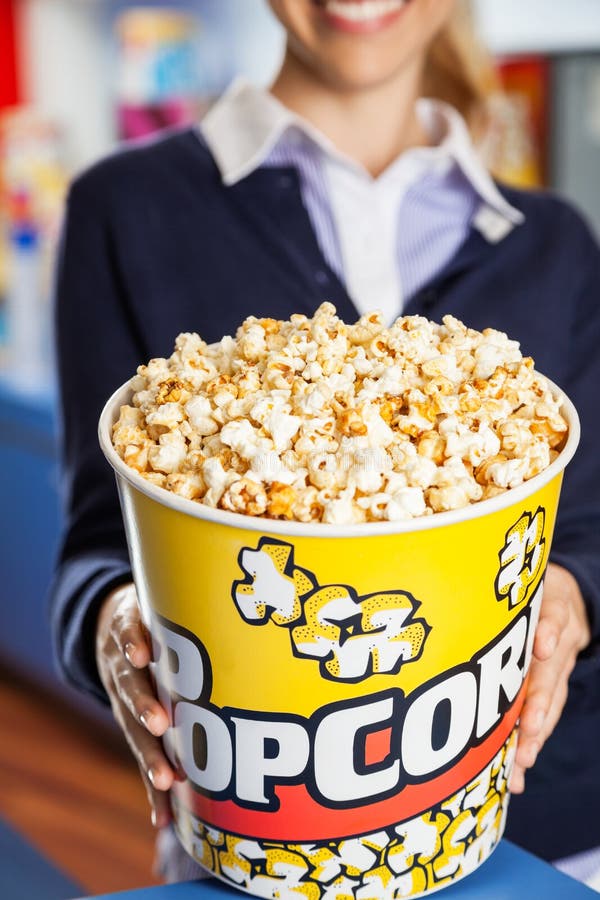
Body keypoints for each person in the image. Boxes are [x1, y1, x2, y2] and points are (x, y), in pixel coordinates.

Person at [51, 0, 600, 886]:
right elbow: (93, 545)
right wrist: (119, 625)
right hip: (255, 826)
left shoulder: (558, 247)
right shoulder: (127, 209)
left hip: (547, 830)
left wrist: (571, 599)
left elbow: (591, 527)